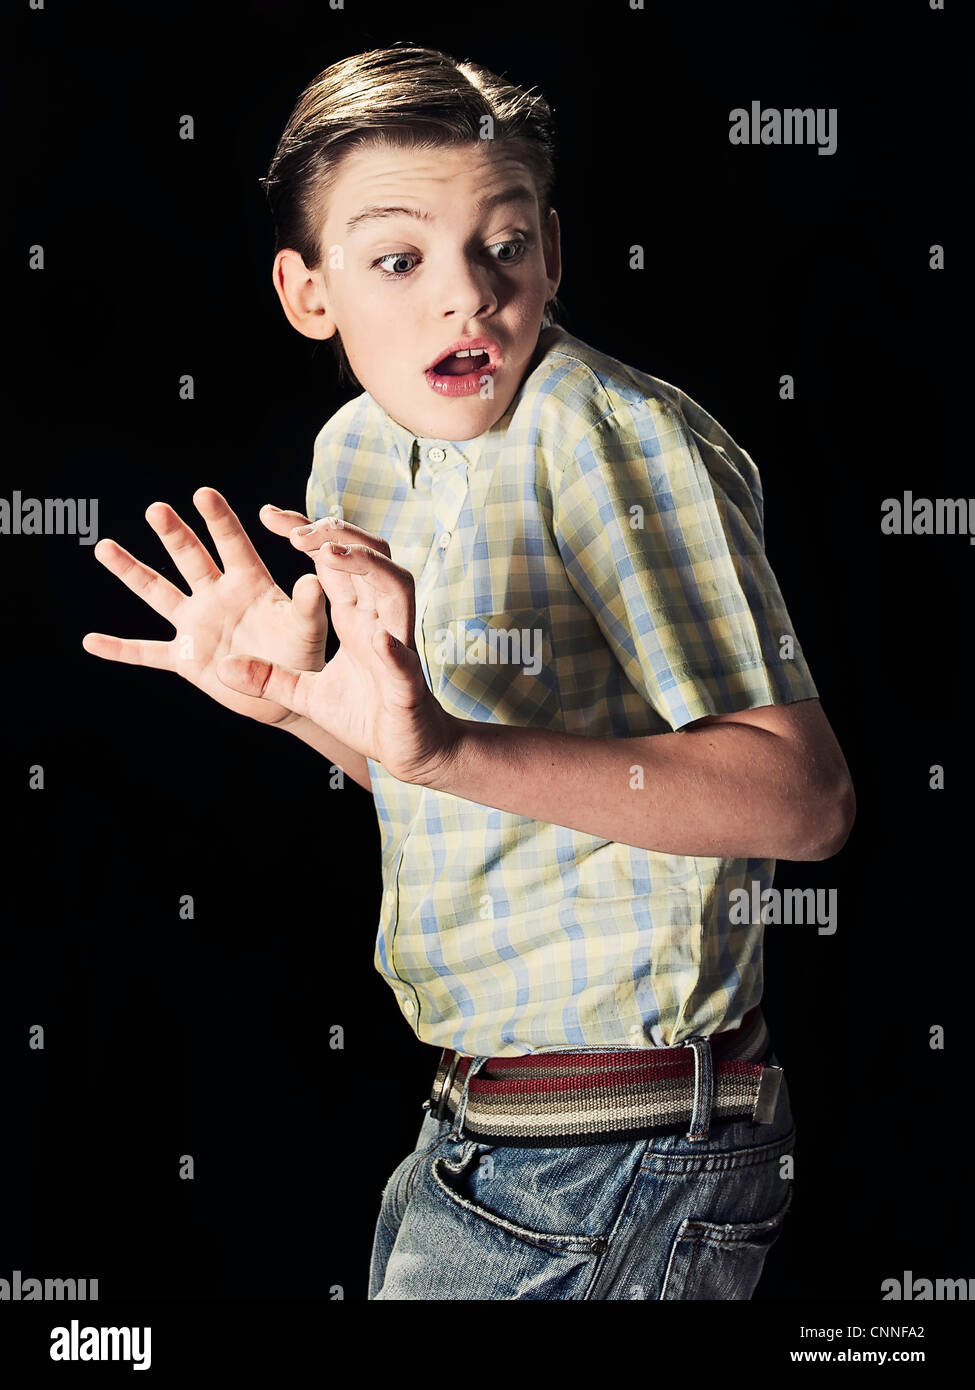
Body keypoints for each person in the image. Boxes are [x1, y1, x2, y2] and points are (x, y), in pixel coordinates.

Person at [83, 44, 855, 1300]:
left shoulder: (612, 439)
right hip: (479, 1121)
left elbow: (804, 802)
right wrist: (298, 708)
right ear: (307, 290)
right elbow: (439, 763)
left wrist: (434, 745)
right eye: (400, 259)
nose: (470, 298)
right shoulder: (358, 453)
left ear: (551, 251)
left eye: (504, 247)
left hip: (628, 1137)